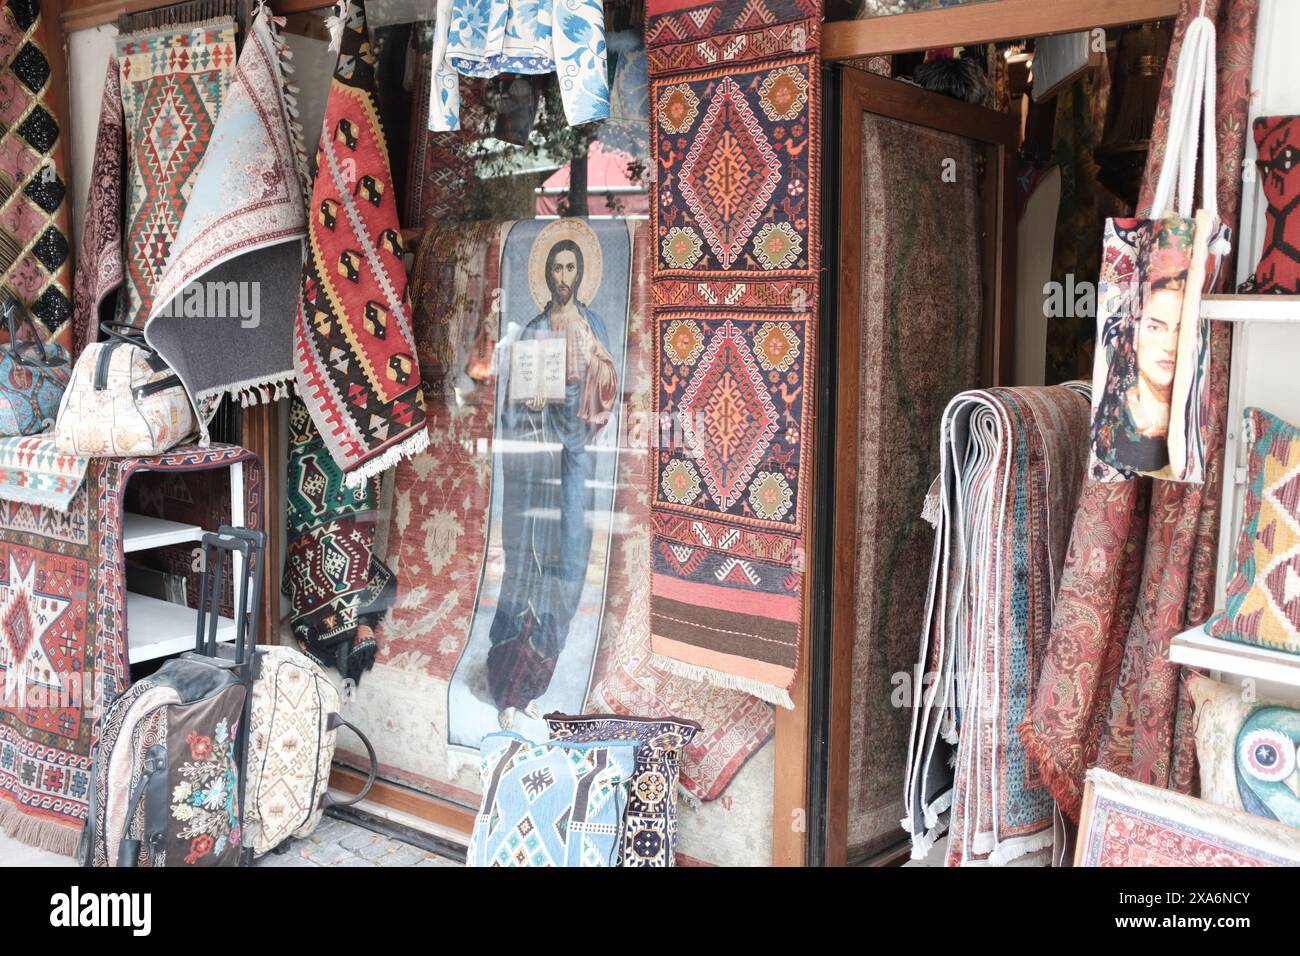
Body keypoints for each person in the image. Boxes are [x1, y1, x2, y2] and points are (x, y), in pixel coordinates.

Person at [487, 238, 618, 729]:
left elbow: (607, 380)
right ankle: (518, 645)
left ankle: (554, 640)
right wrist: (529, 401)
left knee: (569, 541)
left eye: (570, 267)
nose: (563, 276)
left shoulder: (591, 324)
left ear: (581, 273)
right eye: (556, 268)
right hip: (538, 447)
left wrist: (583, 377)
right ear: (547, 274)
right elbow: (513, 391)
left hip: (575, 444)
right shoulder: (535, 328)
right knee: (530, 543)